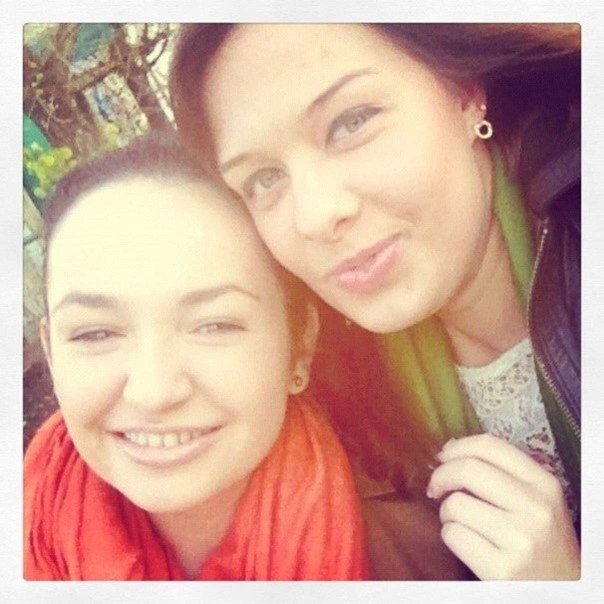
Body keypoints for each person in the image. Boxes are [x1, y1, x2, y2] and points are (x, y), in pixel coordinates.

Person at [168, 23, 580, 580]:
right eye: (264, 179)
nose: (316, 216)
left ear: (464, 94)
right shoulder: (335, 400)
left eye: (351, 122)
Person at [23, 134, 370, 580]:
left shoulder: (417, 557)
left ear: (299, 343)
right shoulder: (29, 523)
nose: (153, 392)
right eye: (96, 333)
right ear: (51, 354)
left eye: (213, 325)